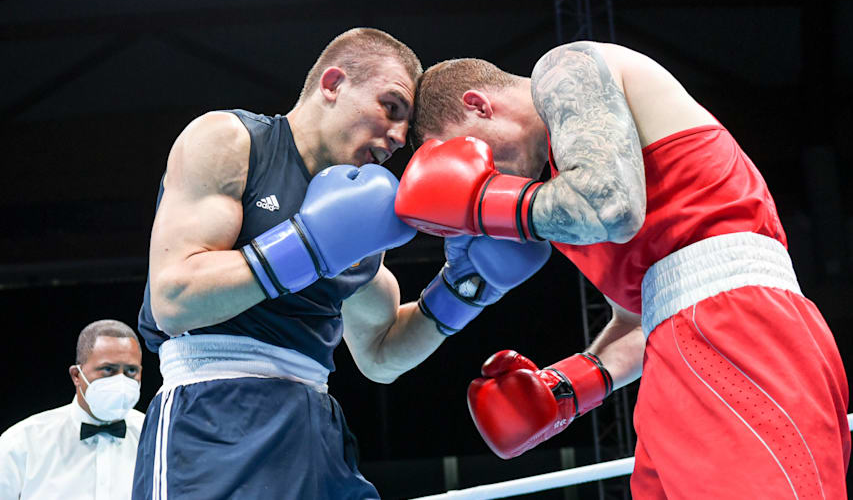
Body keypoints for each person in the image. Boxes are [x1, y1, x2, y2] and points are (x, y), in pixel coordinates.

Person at [395, 42, 851, 499]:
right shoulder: (557, 191)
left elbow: (609, 205)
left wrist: (477, 203)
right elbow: (638, 321)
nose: (485, 174)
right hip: (673, 352)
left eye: (475, 158)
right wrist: (565, 388)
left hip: (742, 330)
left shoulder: (563, 69)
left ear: (478, 105)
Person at [133, 27, 550, 499]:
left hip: (316, 424)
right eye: (390, 107)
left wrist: (466, 287)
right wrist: (309, 246)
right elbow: (174, 299)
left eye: (404, 126)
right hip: (215, 416)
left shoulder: (361, 217)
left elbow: (381, 354)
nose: (396, 137)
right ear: (333, 84)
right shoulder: (233, 140)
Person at [0, 319, 145, 499]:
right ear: (77, 375)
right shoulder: (22, 443)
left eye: (131, 370)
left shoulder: (153, 437)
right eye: (108, 369)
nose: (121, 381)